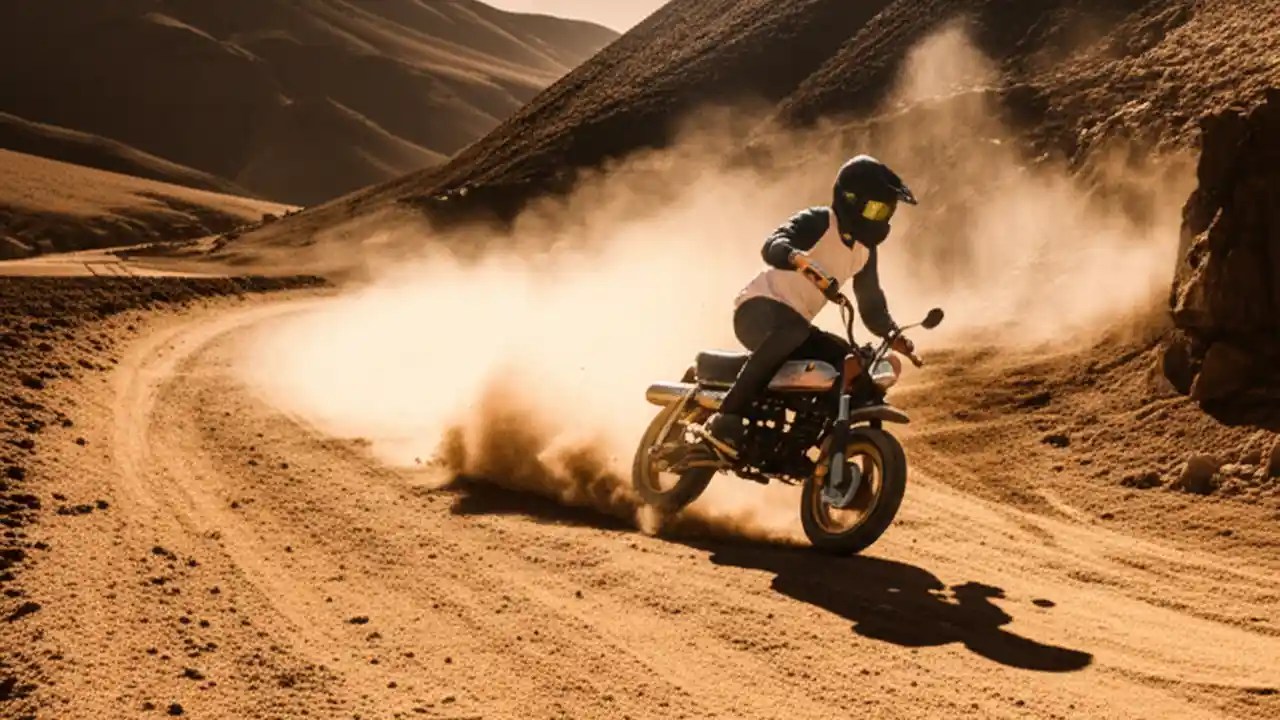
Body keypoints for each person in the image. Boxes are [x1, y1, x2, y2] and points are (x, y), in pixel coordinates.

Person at [693, 155, 918, 462]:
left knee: (850, 361)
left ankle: (804, 442)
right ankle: (725, 418)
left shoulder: (865, 251)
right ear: (851, 200)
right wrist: (795, 257)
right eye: (876, 209)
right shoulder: (820, 221)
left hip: (795, 327)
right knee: (794, 331)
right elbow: (773, 243)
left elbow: (871, 303)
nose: (882, 219)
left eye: (887, 211)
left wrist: (893, 335)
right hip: (758, 310)